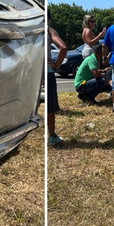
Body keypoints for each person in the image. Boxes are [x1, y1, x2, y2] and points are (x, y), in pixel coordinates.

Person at [48, 16, 68, 146]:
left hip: (29, 70)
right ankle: (52, 135)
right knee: (50, 106)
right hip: (47, 71)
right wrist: (57, 64)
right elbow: (63, 47)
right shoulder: (49, 30)